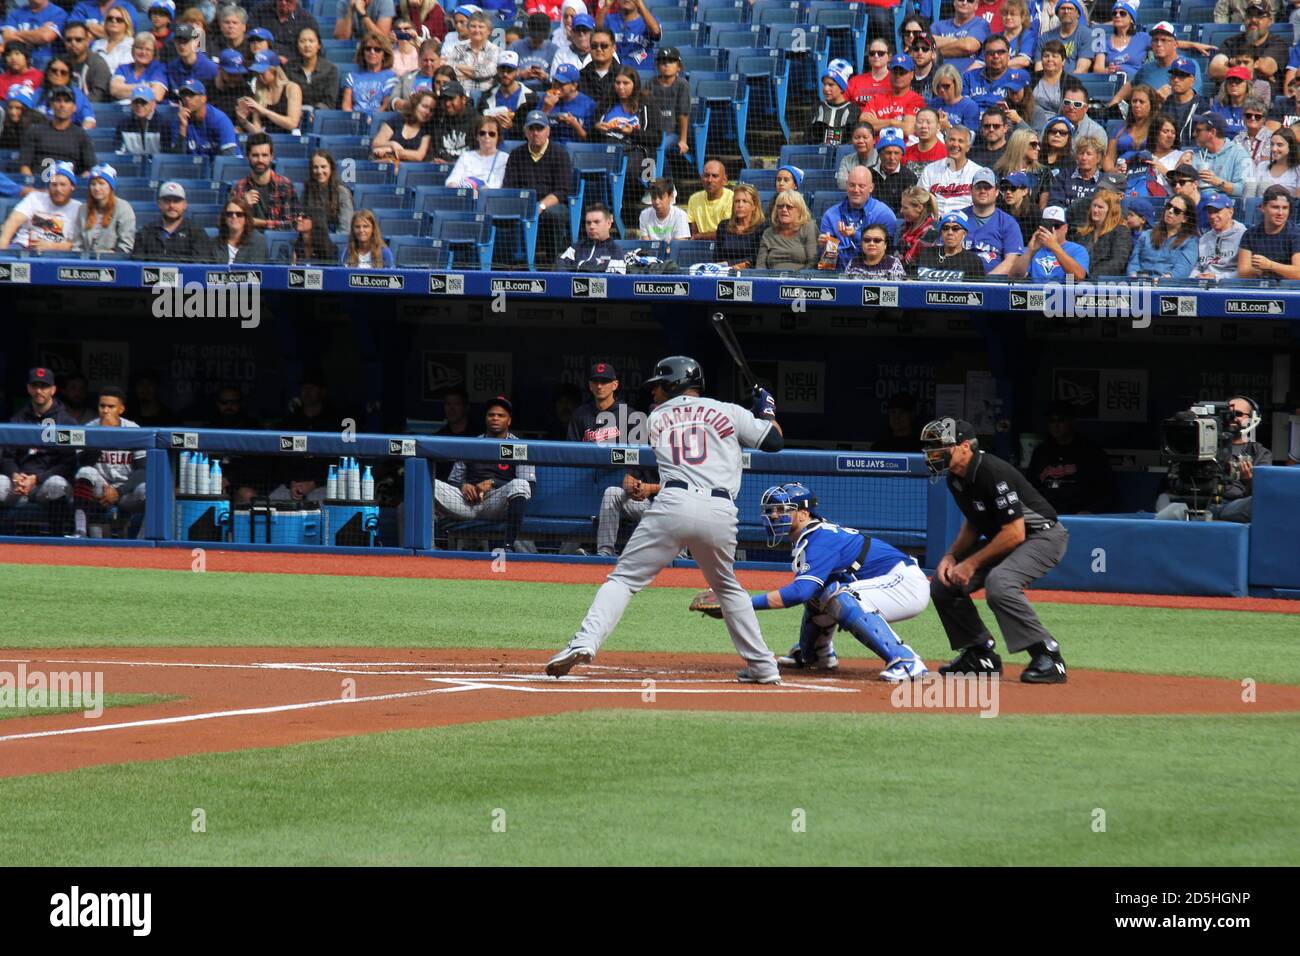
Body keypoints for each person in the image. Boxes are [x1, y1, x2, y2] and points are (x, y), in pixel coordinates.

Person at [547, 356, 785, 683]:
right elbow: (774, 442)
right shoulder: (729, 411)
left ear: (674, 384)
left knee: (623, 580)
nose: (654, 392)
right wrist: (766, 410)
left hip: (673, 504)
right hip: (720, 510)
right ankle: (763, 666)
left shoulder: (657, 417)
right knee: (728, 588)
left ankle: (585, 642)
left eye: (659, 385)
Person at [921, 416, 1069, 684]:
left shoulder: (992, 472)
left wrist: (971, 564)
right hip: (1006, 537)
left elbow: (1015, 533)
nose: (933, 454)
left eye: (941, 447)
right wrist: (951, 556)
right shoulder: (955, 479)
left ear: (965, 446)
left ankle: (1048, 654)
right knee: (944, 584)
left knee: (1000, 583)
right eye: (931, 448)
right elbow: (973, 524)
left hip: (1044, 537)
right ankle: (980, 655)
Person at [748, 483, 929, 682]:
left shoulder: (821, 539)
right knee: (821, 592)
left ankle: (906, 660)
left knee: (840, 596)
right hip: (888, 582)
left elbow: (800, 592)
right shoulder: (812, 535)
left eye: (781, 510)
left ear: (803, 514)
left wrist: (744, 604)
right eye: (770, 510)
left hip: (905, 584)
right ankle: (818, 655)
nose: (773, 515)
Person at [565, 361, 655, 556]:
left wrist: (633, 476)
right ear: (589, 385)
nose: (599, 386)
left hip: (624, 490)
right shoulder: (580, 415)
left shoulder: (631, 416)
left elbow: (642, 458)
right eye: (595, 382)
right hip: (586, 488)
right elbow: (569, 455)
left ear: (615, 385)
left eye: (604, 382)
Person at [435, 395, 536, 553]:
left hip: (496, 503)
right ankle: (429, 545)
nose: (495, 418)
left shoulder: (519, 446)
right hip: (468, 502)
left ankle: (507, 546)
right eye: (491, 415)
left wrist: (493, 483)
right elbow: (454, 481)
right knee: (429, 484)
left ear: (509, 420)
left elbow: (529, 485)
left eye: (500, 415)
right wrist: (463, 486)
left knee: (520, 484)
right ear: (485, 418)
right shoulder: (472, 444)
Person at [1155, 396, 1272, 523]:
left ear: (1252, 418)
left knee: (1258, 505)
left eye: (1238, 414)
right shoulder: (1199, 442)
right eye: (1228, 414)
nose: (1232, 418)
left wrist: (1249, 480)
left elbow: (1264, 492)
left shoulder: (1259, 452)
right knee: (1163, 510)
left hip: (1231, 505)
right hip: (1191, 501)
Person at [70, 386, 147, 537]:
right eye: (102, 406)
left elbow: (143, 470)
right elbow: (83, 463)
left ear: (121, 409)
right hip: (99, 490)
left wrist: (119, 492)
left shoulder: (133, 429)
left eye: (111, 407)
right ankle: (80, 531)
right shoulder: (89, 428)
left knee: (148, 489)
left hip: (126, 491)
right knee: (85, 472)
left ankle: (144, 540)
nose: (105, 411)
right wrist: (102, 437)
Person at [0, 368, 78, 510]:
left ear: (53, 390)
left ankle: (57, 532)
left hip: (45, 483)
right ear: (29, 388)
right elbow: (7, 457)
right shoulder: (18, 420)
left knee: (57, 485)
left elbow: (68, 463)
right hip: (19, 484)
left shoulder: (65, 422)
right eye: (35, 386)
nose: (39, 391)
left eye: (44, 386)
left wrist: (36, 479)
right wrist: (16, 476)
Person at [502, 109, 573, 261]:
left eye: (540, 128)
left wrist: (540, 206)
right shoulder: (516, 154)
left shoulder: (560, 153)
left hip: (551, 204)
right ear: (525, 132)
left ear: (548, 131)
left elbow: (562, 191)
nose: (536, 133)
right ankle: (508, 261)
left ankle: (554, 261)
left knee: (554, 214)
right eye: (532, 129)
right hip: (522, 204)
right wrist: (524, 206)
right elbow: (510, 186)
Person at [1026, 402, 1114, 516]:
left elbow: (1107, 489)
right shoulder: (1041, 452)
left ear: (1072, 422)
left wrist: (1092, 510)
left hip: (1079, 516)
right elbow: (1030, 487)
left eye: (1061, 420)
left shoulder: (1090, 451)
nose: (1056, 425)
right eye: (1051, 421)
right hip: (1046, 515)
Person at [818, 165, 898, 271]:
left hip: (873, 275)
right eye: (852, 185)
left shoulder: (884, 215)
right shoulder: (830, 215)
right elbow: (827, 263)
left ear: (871, 187)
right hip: (839, 277)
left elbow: (886, 257)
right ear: (846, 185)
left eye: (861, 186)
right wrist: (824, 248)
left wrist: (855, 236)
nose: (856, 190)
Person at [0, 160, 81, 251]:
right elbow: (14, 221)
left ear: (72, 187)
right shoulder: (35, 197)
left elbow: (79, 245)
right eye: (54, 185)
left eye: (63, 185)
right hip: (23, 247)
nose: (58, 189)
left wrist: (51, 246)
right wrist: (3, 248)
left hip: (58, 254)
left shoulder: (78, 208)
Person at [1211, 2, 1289, 95]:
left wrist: (1233, 64)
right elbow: (1214, 70)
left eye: (1259, 16)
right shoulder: (1231, 42)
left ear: (1270, 20)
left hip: (1260, 102)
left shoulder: (1278, 43)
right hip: (1228, 102)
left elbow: (1267, 68)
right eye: (1249, 15)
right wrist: (1253, 69)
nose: (1253, 20)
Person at [230, 131, 300, 231]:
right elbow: (230, 225)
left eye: (264, 155)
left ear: (272, 157)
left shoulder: (285, 185)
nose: (260, 160)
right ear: (247, 157)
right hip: (249, 244)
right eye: (255, 155)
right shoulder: (239, 187)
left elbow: (294, 224)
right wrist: (243, 206)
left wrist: (259, 223)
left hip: (279, 244)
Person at [18, 86, 96, 175]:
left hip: (69, 186)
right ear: (51, 105)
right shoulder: (34, 131)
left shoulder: (82, 136)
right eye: (58, 100)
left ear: (74, 107)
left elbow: (90, 169)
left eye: (67, 101)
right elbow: (24, 166)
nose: (62, 105)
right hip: (38, 184)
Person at [960, 168, 1025, 274]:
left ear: (996, 192)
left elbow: (1012, 261)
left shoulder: (1008, 223)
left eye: (988, 187)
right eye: (978, 187)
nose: (983, 191)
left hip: (992, 285)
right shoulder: (958, 218)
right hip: (957, 284)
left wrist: (986, 283)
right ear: (971, 189)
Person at [131, 180, 215, 262]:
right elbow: (138, 266)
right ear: (159, 204)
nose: (171, 205)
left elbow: (201, 267)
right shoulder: (146, 232)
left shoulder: (196, 233)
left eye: (176, 201)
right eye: (167, 201)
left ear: (184, 205)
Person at [917, 124, 989, 215]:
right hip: (935, 224)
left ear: (968, 147)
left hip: (967, 224)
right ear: (945, 143)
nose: (955, 144)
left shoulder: (978, 172)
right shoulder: (930, 170)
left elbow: (984, 206)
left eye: (960, 141)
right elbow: (919, 200)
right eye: (952, 140)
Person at [1127, 194, 1198, 279]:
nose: (1170, 211)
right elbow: (1133, 263)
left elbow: (1182, 270)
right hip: (1140, 284)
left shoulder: (1190, 242)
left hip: (1166, 287)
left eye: (1176, 210)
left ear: (1185, 219)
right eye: (1169, 206)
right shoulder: (1146, 235)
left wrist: (1163, 280)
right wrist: (1134, 276)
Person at [1009, 204, 1088, 280]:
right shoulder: (1034, 249)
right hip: (1036, 292)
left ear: (1066, 228)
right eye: (1048, 225)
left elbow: (1079, 277)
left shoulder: (1077, 250)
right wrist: (1030, 251)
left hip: (1063, 292)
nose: (1052, 230)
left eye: (1056, 226)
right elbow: (1013, 277)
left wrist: (1055, 247)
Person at [1237, 182, 1300, 276]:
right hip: (1258, 287)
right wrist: (1259, 270)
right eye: (1275, 207)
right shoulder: (1250, 234)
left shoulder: (1296, 234)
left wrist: (1270, 265)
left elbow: (1298, 273)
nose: (1280, 213)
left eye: (1285, 208)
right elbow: (1242, 273)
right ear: (1263, 208)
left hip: (1287, 289)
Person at [860, 53, 925, 139]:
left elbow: (907, 129)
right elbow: (864, 125)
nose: (898, 76)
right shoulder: (877, 98)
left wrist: (878, 122)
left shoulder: (916, 100)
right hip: (878, 149)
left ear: (912, 74)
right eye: (895, 71)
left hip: (903, 149)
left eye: (902, 72)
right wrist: (894, 122)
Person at [236, 50, 302, 134]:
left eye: (262, 71)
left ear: (274, 70)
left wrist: (265, 111)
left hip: (288, 140)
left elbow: (292, 123)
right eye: (257, 71)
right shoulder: (259, 91)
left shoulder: (292, 88)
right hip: (266, 141)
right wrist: (244, 122)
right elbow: (258, 131)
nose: (259, 75)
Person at [172, 78, 240, 156]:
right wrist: (182, 128)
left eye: (191, 95)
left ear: (204, 98)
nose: (187, 98)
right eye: (183, 95)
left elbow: (229, 159)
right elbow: (177, 160)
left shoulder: (220, 120)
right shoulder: (180, 121)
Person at [77, 161, 135, 255]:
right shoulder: (83, 209)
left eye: (101, 183)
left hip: (113, 262)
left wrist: (108, 255)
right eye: (93, 184)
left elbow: (126, 245)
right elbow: (77, 244)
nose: (97, 188)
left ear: (110, 186)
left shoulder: (124, 208)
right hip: (85, 262)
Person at [1190, 111, 1250, 198]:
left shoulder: (1238, 154)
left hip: (1225, 206)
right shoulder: (1194, 154)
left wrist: (1217, 182)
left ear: (1213, 132)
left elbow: (1242, 190)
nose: (1194, 134)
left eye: (1198, 130)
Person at [481, 50, 538, 139]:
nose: (505, 74)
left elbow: (534, 131)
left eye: (510, 70)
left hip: (519, 146)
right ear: (497, 70)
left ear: (517, 71)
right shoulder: (487, 95)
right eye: (502, 69)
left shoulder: (530, 97)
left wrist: (512, 126)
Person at [755, 190, 818, 270]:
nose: (784, 210)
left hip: (800, 280)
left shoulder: (809, 228)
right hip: (772, 279)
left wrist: (799, 280)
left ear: (799, 211)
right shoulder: (768, 233)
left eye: (789, 207)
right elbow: (760, 266)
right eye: (780, 206)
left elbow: (813, 263)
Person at [914, 209, 986, 279]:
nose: (950, 232)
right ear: (941, 232)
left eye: (955, 228)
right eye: (945, 228)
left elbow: (977, 290)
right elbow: (910, 281)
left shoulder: (972, 261)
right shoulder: (925, 254)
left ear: (964, 233)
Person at [1075, 189, 1132, 277]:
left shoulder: (1121, 232)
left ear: (1111, 211)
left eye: (1100, 207)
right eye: (1094, 206)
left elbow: (1118, 262)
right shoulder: (1083, 233)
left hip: (1105, 284)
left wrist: (1089, 277)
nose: (1095, 210)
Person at [1104, 84, 1160, 172]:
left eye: (1141, 102)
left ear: (1151, 105)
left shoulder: (1157, 128)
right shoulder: (1119, 128)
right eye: (1134, 101)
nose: (1137, 105)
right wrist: (1113, 171)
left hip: (1147, 174)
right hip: (1121, 175)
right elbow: (1109, 158)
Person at [1, 0, 67, 73]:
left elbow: (45, 37)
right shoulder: (15, 13)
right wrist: (40, 31)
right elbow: (7, 38)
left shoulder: (58, 13)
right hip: (19, 67)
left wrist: (16, 33)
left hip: (46, 66)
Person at [446, 113, 508, 189]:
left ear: (498, 137)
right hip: (465, 196)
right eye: (482, 133)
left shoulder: (505, 158)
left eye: (492, 134)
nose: (486, 136)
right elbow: (451, 181)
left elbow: (497, 185)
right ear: (476, 136)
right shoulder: (466, 156)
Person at [445, 9, 499, 96]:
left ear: (489, 31)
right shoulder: (458, 49)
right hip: (462, 96)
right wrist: (477, 72)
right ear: (468, 29)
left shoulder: (494, 50)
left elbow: (487, 72)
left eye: (481, 27)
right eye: (473, 26)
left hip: (486, 96)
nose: (476, 30)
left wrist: (460, 67)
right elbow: (450, 71)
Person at [370, 87, 433, 162]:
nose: (427, 112)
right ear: (415, 104)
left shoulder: (428, 129)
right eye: (424, 106)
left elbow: (418, 156)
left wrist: (389, 151)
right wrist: (392, 144)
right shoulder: (397, 119)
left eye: (431, 110)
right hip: (388, 164)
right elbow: (376, 143)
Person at [284, 25, 338, 111]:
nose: (307, 45)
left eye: (311, 41)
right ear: (297, 45)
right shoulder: (288, 67)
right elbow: (284, 98)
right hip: (293, 114)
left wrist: (314, 112)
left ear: (318, 45)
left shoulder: (330, 70)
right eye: (302, 41)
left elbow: (330, 102)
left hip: (318, 116)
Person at [1195, 190, 1248, 278]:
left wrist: (1217, 278)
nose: (1212, 216)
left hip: (1229, 287)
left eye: (1216, 211)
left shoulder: (1244, 236)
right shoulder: (1204, 238)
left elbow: (1245, 272)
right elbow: (1198, 266)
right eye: (1210, 212)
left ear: (1230, 212)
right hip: (1203, 285)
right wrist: (1196, 276)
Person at [36, 56, 98, 130]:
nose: (58, 74)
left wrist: (79, 134)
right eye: (54, 70)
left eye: (63, 72)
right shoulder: (38, 93)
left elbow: (89, 120)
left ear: (69, 76)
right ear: (48, 73)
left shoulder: (77, 95)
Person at [649, 45, 688, 162]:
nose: (666, 65)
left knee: (658, 148)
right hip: (652, 132)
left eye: (671, 61)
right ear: (657, 65)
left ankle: (660, 178)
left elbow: (683, 114)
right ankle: (653, 178)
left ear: (679, 67)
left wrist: (683, 140)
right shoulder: (650, 83)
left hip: (672, 133)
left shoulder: (682, 84)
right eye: (662, 62)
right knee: (646, 148)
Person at [342, 31, 397, 113]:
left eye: (377, 49)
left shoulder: (390, 76)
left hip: (379, 120)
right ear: (363, 53)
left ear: (384, 55)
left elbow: (386, 106)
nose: (372, 52)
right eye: (368, 49)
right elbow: (346, 106)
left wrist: (373, 119)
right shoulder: (352, 76)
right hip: (355, 120)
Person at [713, 182, 765, 269]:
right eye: (737, 201)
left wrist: (732, 265)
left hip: (750, 273)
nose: (740, 205)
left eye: (745, 201)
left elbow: (757, 258)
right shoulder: (723, 226)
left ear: (754, 206)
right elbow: (716, 257)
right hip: (725, 272)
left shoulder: (762, 227)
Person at [809, 59, 861, 146]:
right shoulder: (817, 108)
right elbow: (807, 139)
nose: (826, 89)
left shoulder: (853, 110)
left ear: (842, 87)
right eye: (824, 84)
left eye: (830, 85)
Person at [932, 0, 990, 76]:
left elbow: (969, 46)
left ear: (976, 5)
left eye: (970, 1)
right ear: (954, 2)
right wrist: (962, 42)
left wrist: (939, 51)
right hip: (940, 77)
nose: (964, 2)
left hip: (968, 80)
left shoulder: (981, 24)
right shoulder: (938, 26)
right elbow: (929, 44)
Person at [555, 201, 619, 270]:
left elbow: (614, 279)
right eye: (588, 223)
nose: (591, 226)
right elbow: (560, 268)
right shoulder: (576, 247)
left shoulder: (615, 251)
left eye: (596, 222)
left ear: (609, 223)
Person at [542, 62, 596, 143]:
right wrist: (546, 109)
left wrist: (574, 124)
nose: (556, 86)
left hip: (576, 149)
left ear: (574, 86)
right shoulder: (546, 97)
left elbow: (590, 140)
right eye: (555, 82)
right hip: (550, 148)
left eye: (561, 84)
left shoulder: (588, 104)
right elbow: (534, 131)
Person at [301, 148, 353, 232]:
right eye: (315, 167)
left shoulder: (342, 192)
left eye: (323, 167)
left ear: (331, 168)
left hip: (336, 240)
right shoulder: (306, 191)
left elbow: (345, 228)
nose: (319, 171)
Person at [251, 0, 321, 62]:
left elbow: (316, 52)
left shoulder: (307, 21)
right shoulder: (259, 12)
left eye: (288, 0)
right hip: (263, 63)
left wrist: (289, 61)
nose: (283, 2)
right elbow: (250, 41)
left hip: (294, 68)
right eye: (280, 0)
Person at [596, 0, 659, 67]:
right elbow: (596, 34)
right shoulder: (609, 19)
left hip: (642, 71)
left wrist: (641, 6)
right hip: (615, 71)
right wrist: (606, 6)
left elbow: (656, 32)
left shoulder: (649, 20)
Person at [1046, 134, 1104, 208]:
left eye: (1089, 154)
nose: (1084, 158)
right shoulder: (1063, 176)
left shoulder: (1104, 181)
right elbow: (1055, 203)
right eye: (1081, 153)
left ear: (1098, 158)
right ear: (1076, 156)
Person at [62, 20, 112, 104]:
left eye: (78, 40)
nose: (73, 43)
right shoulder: (60, 62)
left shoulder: (98, 64)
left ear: (88, 40)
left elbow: (97, 97)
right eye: (69, 40)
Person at [1040, 0, 1096, 74]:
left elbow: (1082, 70)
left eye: (1070, 9)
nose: (1066, 11)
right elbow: (1039, 68)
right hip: (1049, 82)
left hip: (1074, 82)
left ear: (1078, 14)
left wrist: (1065, 83)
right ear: (1057, 13)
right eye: (1063, 8)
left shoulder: (1087, 34)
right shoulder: (1045, 37)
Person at [109, 31, 167, 103]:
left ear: (154, 53)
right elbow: (115, 90)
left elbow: (157, 94)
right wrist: (145, 86)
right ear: (133, 50)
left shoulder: (159, 68)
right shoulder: (123, 68)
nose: (143, 52)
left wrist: (125, 88)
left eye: (148, 49)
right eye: (139, 48)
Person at [870, 127, 916, 215]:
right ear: (880, 154)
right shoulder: (868, 174)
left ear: (902, 155)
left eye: (896, 153)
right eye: (888, 153)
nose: (892, 158)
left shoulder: (909, 177)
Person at [113, 83, 170, 154]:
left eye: (143, 102)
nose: (139, 105)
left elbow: (167, 153)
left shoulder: (163, 124)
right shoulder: (123, 124)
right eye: (136, 102)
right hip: (131, 164)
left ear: (153, 104)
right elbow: (118, 153)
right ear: (131, 104)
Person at [164, 23, 217, 97]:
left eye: (186, 41)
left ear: (196, 42)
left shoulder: (211, 68)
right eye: (178, 41)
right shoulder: (171, 68)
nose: (181, 45)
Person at [686, 157, 732, 241]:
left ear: (724, 180)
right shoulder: (694, 199)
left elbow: (725, 232)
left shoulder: (732, 198)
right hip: (700, 246)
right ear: (701, 178)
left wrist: (699, 236)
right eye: (706, 175)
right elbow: (693, 231)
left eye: (715, 176)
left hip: (723, 247)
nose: (710, 180)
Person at [927, 63, 981, 135]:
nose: (942, 90)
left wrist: (948, 127)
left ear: (956, 84)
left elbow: (970, 138)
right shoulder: (934, 103)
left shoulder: (970, 106)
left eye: (946, 86)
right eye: (938, 86)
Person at [512, 12, 557, 92]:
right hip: (519, 91)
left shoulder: (554, 50)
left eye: (540, 37)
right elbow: (504, 74)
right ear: (528, 30)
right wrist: (521, 75)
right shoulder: (515, 47)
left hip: (544, 91)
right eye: (534, 35)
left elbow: (561, 80)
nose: (537, 39)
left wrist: (546, 77)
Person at [216, 194, 268, 264]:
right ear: (224, 218)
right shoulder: (214, 243)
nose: (234, 216)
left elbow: (255, 272)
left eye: (239, 214)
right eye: (229, 214)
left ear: (246, 218)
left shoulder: (258, 241)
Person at [638, 175, 689, 245]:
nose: (657, 202)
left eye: (661, 197)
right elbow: (646, 246)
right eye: (653, 197)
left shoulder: (680, 216)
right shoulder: (644, 215)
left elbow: (678, 247)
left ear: (670, 197)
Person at [896, 185, 938, 269]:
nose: (901, 210)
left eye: (905, 208)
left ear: (919, 208)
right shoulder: (905, 227)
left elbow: (909, 262)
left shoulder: (931, 231)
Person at [1251, 125, 1300, 195]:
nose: (1274, 149)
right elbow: (1251, 195)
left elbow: (1298, 202)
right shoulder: (1262, 166)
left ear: (1291, 147)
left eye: (1279, 145)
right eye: (1272, 144)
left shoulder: (1298, 170)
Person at [579, 25, 617, 111]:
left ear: (614, 48)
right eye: (594, 46)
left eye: (604, 46)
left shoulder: (624, 75)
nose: (599, 49)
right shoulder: (580, 76)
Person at [846, 39, 892, 105]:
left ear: (889, 57)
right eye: (872, 53)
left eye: (880, 53)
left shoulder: (897, 81)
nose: (876, 56)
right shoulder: (855, 81)